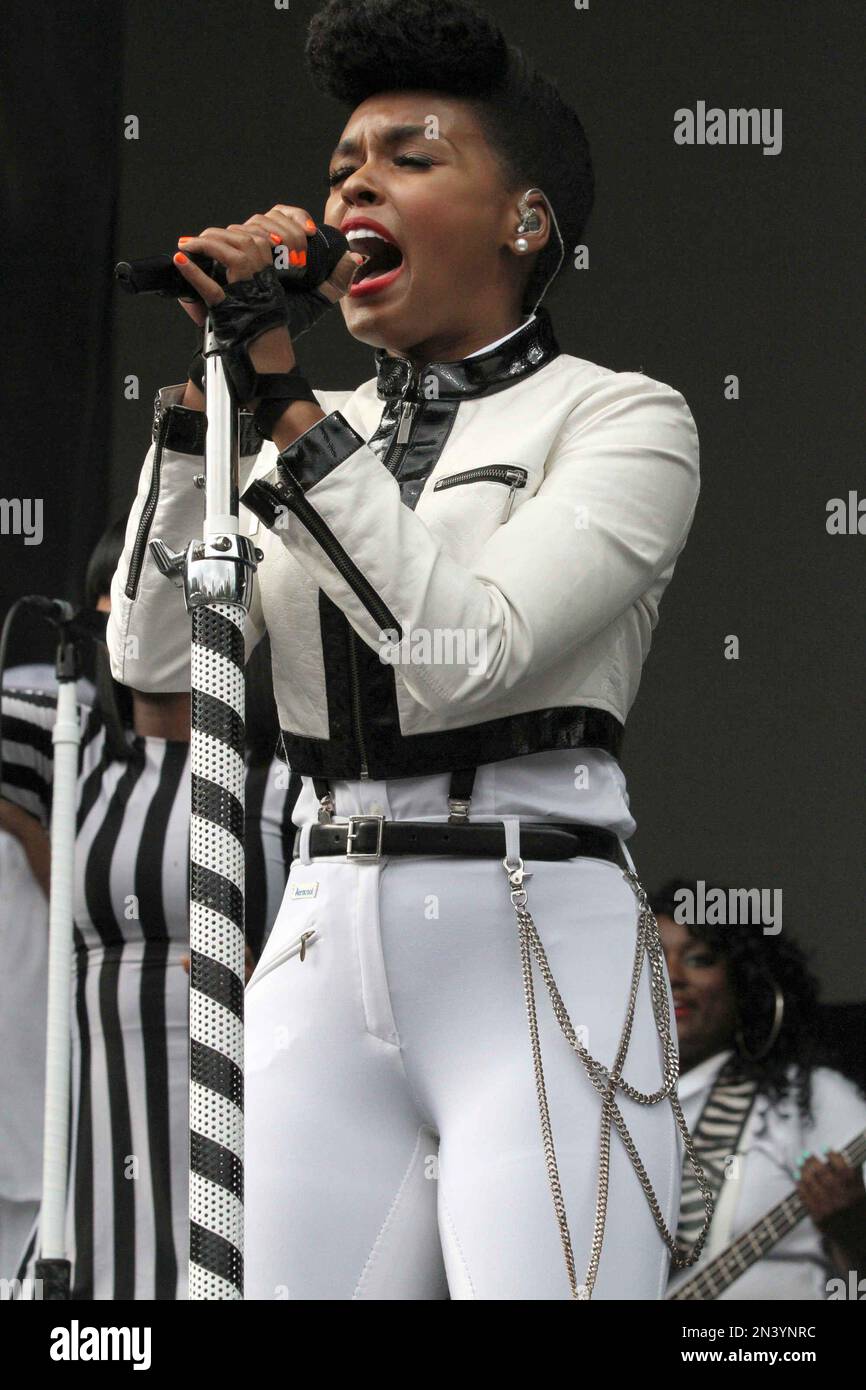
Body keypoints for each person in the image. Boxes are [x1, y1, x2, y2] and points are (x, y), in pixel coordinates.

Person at [107, 0, 703, 1300]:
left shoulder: (620, 419)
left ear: (524, 219)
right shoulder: (296, 418)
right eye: (339, 165)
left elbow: (463, 652)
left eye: (410, 156)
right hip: (323, 934)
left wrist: (289, 407)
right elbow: (156, 667)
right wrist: (203, 419)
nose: (353, 182)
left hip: (534, 926)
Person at [1, 519, 296, 1299]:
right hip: (92, 1161)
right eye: (139, 597)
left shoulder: (284, 779)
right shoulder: (75, 751)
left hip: (237, 1134)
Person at [653, 879, 866, 1300]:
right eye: (653, 958)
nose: (672, 975)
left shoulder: (808, 1097)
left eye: (698, 959)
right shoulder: (597, 1109)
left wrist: (855, 1228)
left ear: (743, 985)